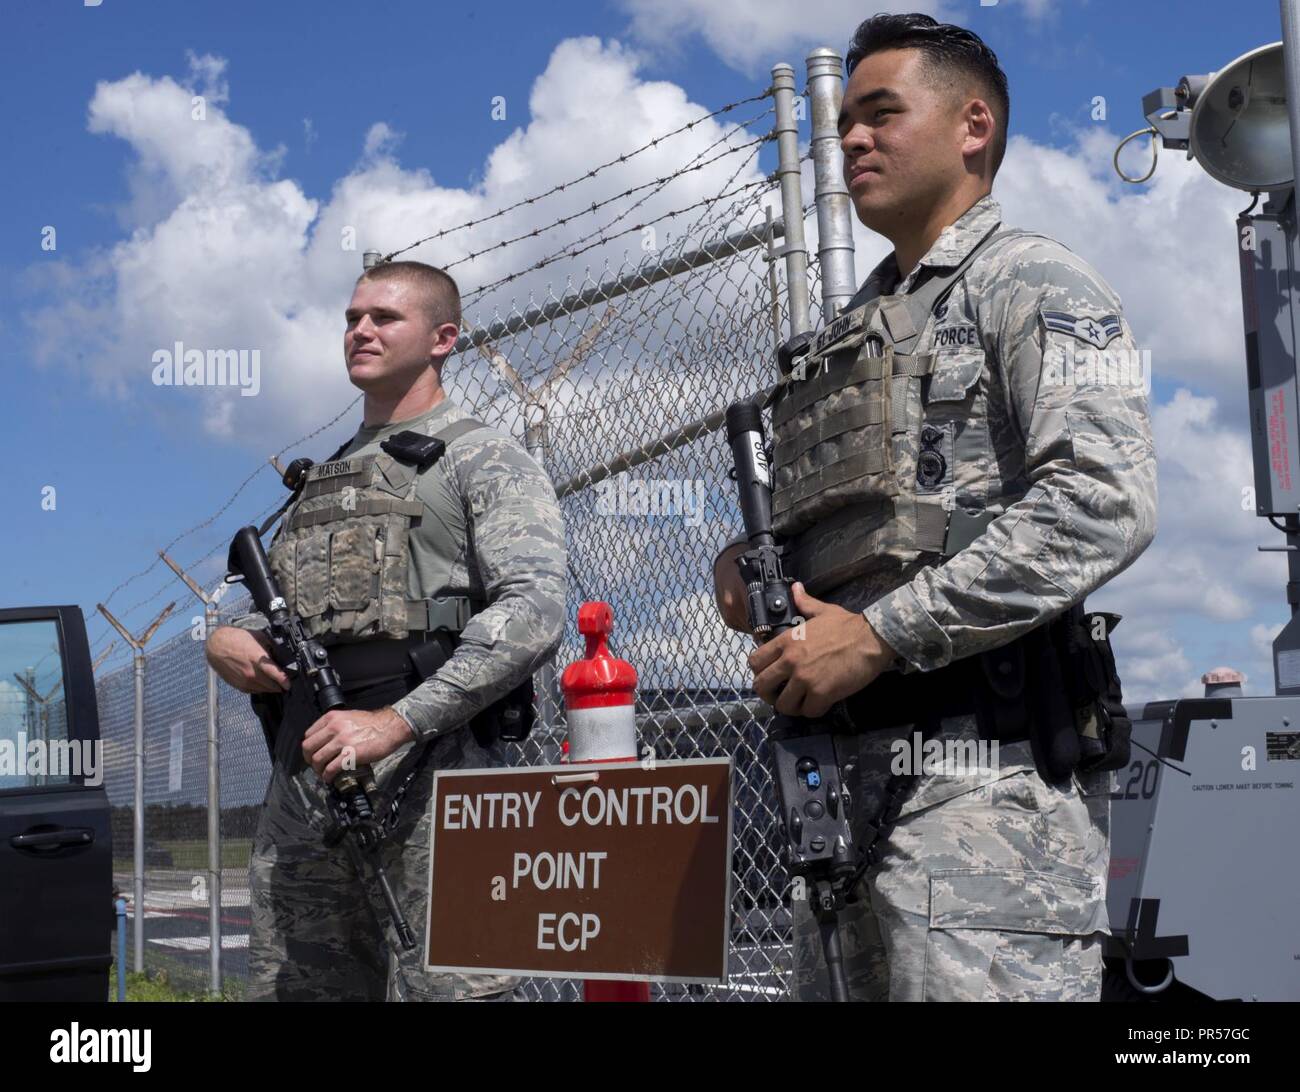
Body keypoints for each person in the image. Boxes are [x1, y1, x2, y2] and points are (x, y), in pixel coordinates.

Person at [714, 13, 1156, 1001]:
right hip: (838, 787)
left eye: (880, 115)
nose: (853, 143)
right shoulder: (840, 339)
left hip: (983, 795)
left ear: (973, 127)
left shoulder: (1040, 281)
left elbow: (1103, 503)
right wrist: (753, 567)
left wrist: (874, 638)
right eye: (842, 128)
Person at [205, 260, 567, 1001]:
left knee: (456, 991)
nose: (360, 330)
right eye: (351, 318)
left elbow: (534, 608)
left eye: (384, 317)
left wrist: (397, 722)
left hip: (440, 775)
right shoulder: (322, 478)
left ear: (443, 338)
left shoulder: (480, 454)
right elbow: (286, 608)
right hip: (307, 781)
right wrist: (226, 638)